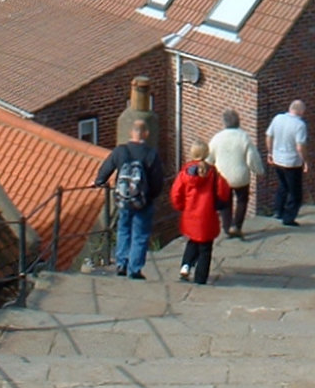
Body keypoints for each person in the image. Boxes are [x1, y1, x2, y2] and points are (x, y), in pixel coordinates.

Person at [93, 119, 164, 280]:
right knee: (140, 234)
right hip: (143, 202)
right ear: (146, 134)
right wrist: (150, 197)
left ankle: (121, 264)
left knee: (123, 230)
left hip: (124, 200)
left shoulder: (121, 151)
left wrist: (98, 181)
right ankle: (135, 269)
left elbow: (107, 168)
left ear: (131, 133)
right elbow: (157, 181)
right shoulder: (151, 154)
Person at [170, 141, 231, 284]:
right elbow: (223, 192)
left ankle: (185, 267)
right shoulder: (213, 172)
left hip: (190, 214)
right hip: (207, 215)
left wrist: (181, 206)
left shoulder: (185, 172)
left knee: (192, 241)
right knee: (205, 249)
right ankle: (200, 278)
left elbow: (176, 193)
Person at [205, 109, 264, 238]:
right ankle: (237, 225)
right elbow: (252, 158)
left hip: (223, 177)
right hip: (241, 176)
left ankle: (227, 228)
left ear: (224, 122)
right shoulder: (244, 137)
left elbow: (209, 159)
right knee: (242, 200)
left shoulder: (217, 138)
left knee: (226, 202)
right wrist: (259, 171)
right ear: (239, 122)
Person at [265, 99, 309, 226]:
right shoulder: (300, 125)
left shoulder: (278, 118)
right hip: (292, 162)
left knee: (283, 186)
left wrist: (270, 153)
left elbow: (269, 136)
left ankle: (278, 211)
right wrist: (305, 161)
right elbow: (300, 146)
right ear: (301, 112)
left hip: (277, 159)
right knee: (295, 192)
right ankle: (288, 218)